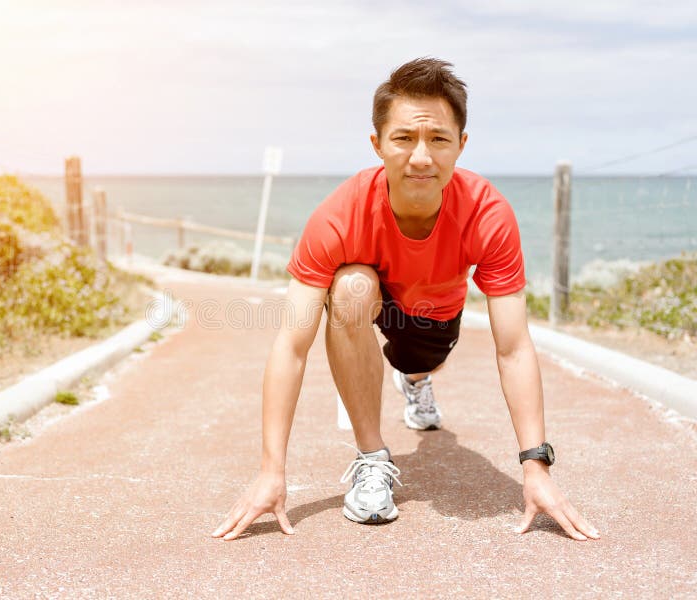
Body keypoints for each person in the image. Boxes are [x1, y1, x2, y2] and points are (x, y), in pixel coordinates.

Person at [211, 57, 600, 542]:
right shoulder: (339, 214)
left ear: (461, 144)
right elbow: (291, 345)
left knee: (415, 365)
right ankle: (372, 457)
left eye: (438, 139)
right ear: (377, 144)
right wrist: (272, 470)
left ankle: (414, 382)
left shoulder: (488, 213)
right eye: (403, 139)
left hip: (433, 317)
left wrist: (536, 467)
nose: (420, 157)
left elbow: (514, 347)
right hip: (370, 299)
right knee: (351, 286)